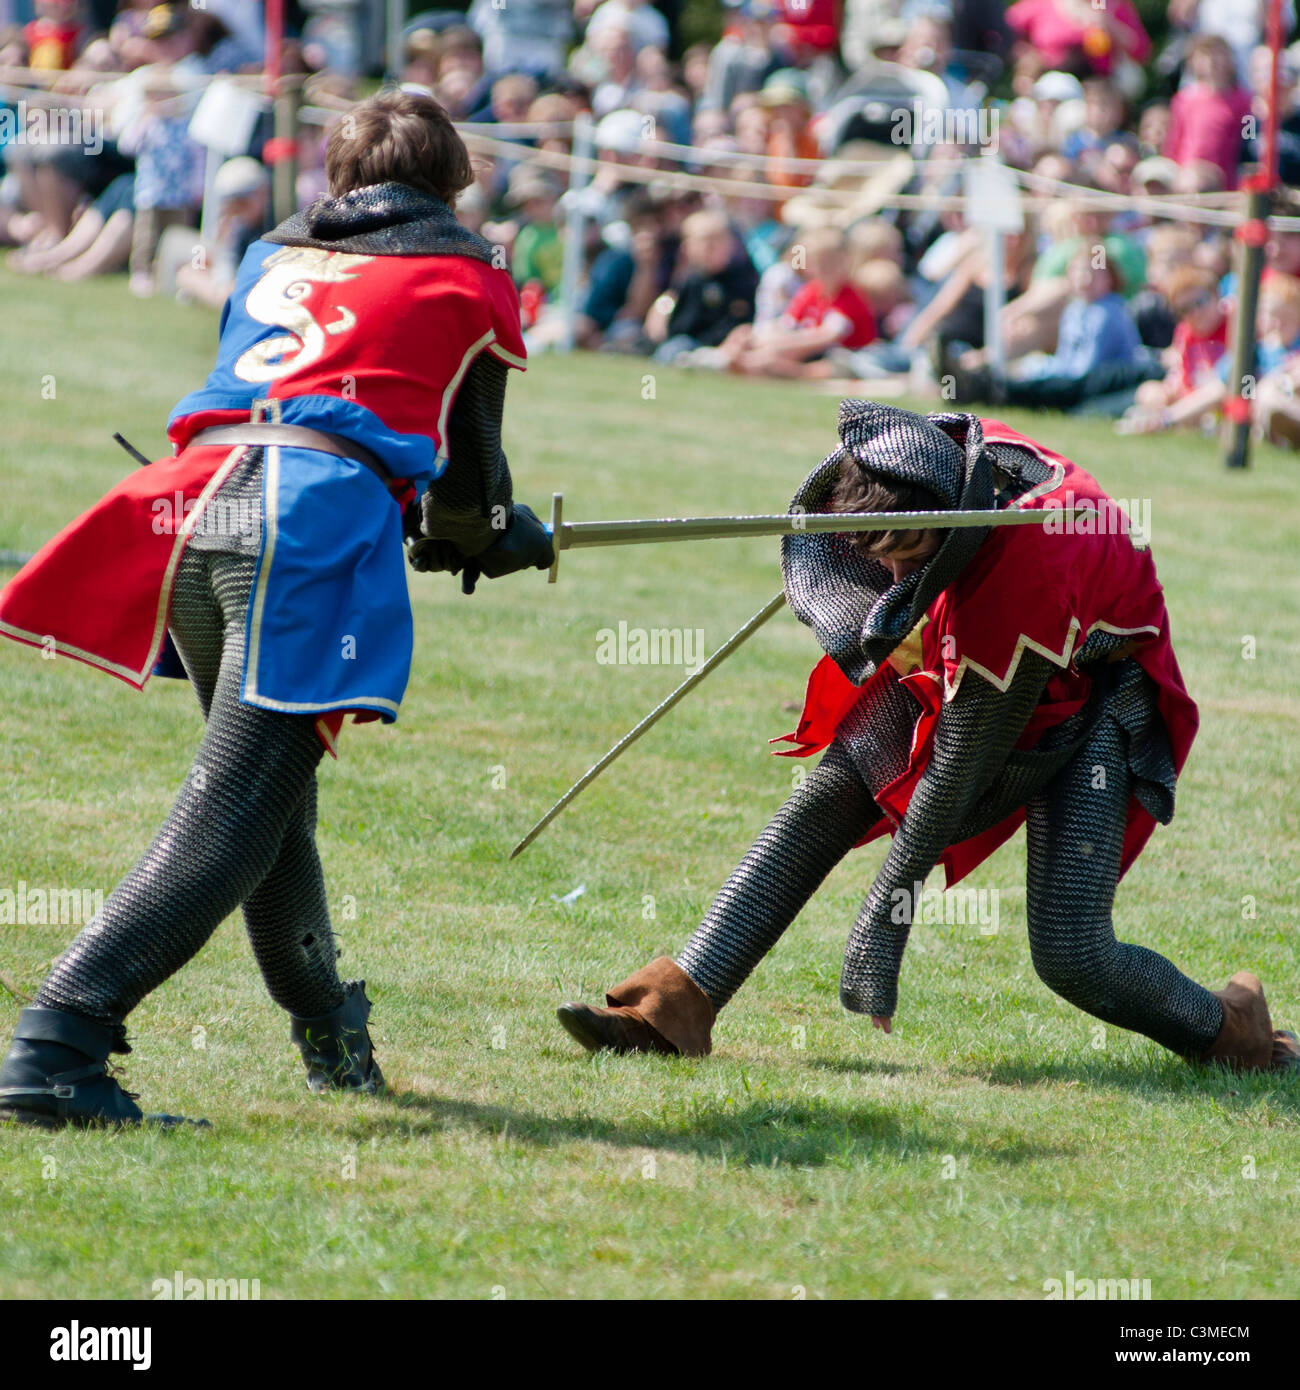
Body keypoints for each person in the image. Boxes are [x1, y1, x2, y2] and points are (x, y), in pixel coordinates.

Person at [0, 90, 555, 1129]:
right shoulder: (468, 271)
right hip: (302, 524)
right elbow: (471, 493)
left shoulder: (272, 253)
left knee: (271, 801)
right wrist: (499, 535)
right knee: (238, 805)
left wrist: (444, 520)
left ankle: (332, 1036)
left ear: (341, 180)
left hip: (193, 505)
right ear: (447, 184)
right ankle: (56, 1043)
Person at [556, 402, 1299, 1077]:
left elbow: (958, 770)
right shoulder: (931, 455)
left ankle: (1237, 1032)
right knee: (828, 795)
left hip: (1093, 694)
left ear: (949, 527)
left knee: (1073, 953)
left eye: (910, 560)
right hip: (981, 643)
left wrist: (884, 919)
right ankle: (675, 1007)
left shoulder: (1022, 570)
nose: (890, 573)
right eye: (880, 555)